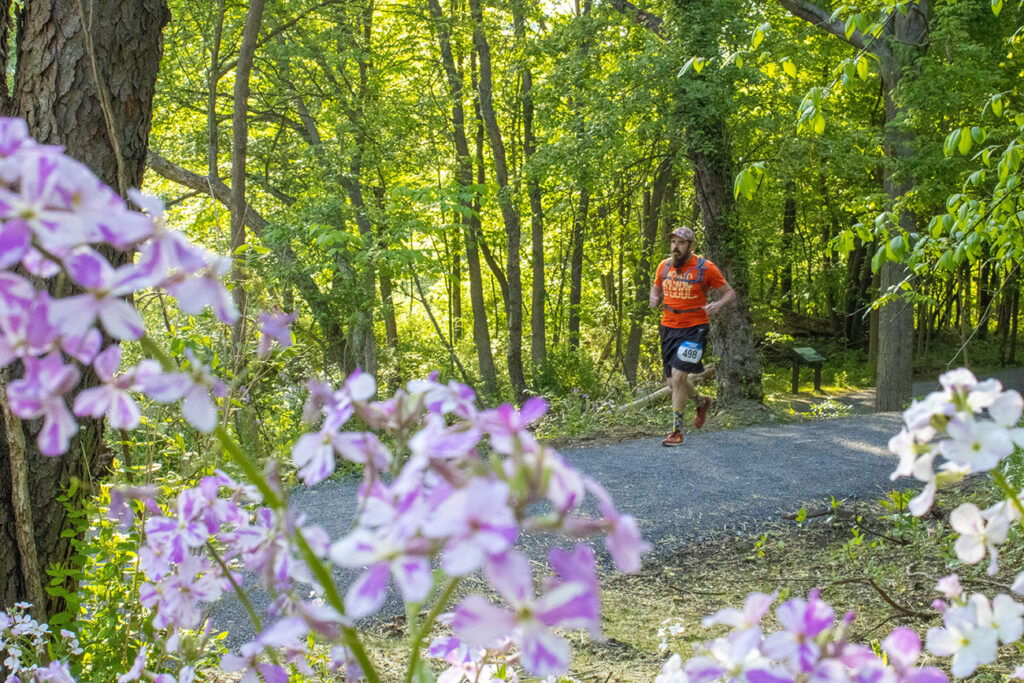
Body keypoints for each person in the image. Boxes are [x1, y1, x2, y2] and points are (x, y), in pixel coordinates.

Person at [649, 225, 736, 446]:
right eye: (673, 243)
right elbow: (656, 287)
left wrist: (717, 304)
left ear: (691, 245)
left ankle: (677, 432)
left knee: (679, 378)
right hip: (669, 327)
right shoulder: (664, 266)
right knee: (672, 383)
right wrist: (654, 297)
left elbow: (730, 292)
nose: (674, 247)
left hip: (694, 328)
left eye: (680, 243)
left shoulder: (705, 267)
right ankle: (701, 402)